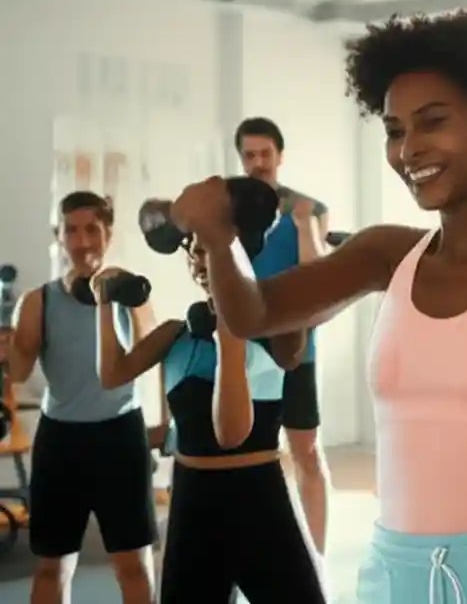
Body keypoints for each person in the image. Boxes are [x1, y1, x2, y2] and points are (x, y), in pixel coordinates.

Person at [170, 9, 467, 604]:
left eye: (433, 123)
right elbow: (253, 313)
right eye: (394, 130)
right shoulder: (386, 253)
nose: (409, 149)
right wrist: (220, 239)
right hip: (397, 572)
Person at [93, 235, 324, 603]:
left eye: (212, 249)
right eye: (195, 252)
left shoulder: (274, 333)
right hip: (193, 499)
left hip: (259, 501)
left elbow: (230, 432)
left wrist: (228, 336)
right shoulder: (176, 333)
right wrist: (103, 303)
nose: (201, 260)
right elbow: (112, 374)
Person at [1, 192, 161, 604]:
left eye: (92, 229)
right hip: (62, 442)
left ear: (108, 234)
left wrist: (164, 423)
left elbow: (152, 353)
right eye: (71, 230)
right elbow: (17, 373)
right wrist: (19, 340)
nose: (82, 240)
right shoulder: (39, 300)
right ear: (60, 237)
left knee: (133, 564)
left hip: (121, 437)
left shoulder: (129, 292)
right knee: (53, 565)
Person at [234, 116, 333, 555]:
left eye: (265, 154)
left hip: (294, 349)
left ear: (280, 156)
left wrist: (304, 225)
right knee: (246, 456)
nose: (258, 163)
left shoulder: (307, 210)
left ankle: (317, 557)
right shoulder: (228, 209)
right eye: (249, 155)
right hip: (242, 348)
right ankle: (253, 557)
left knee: (305, 451)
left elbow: (317, 276)